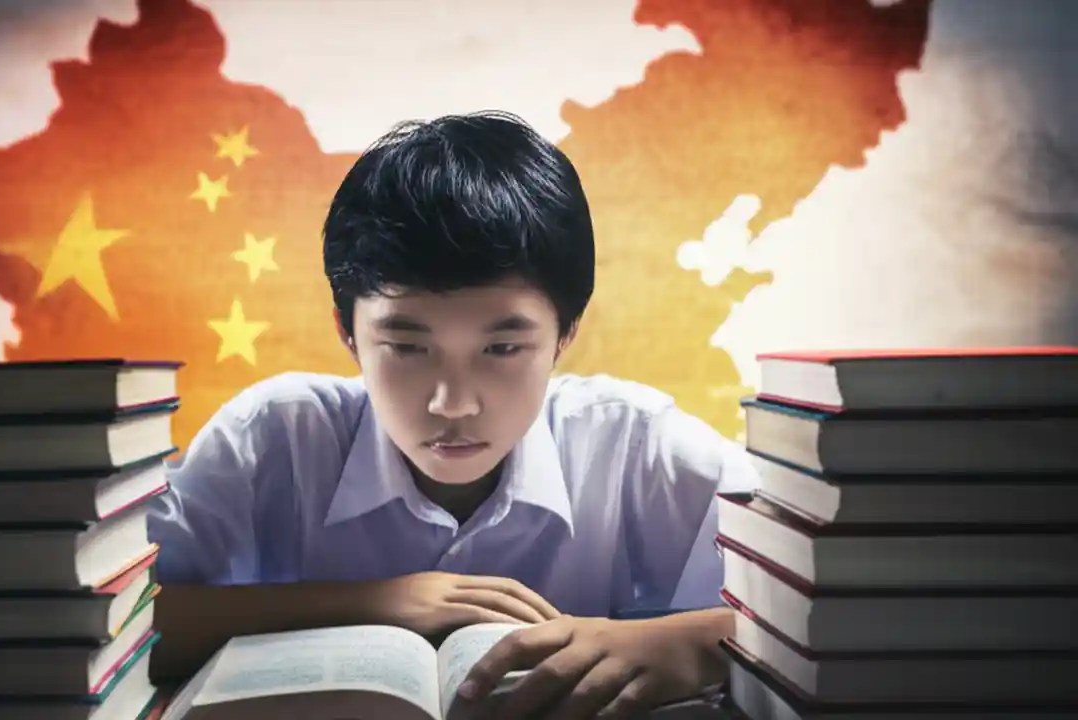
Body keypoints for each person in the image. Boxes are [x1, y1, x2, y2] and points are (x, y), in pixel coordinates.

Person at [147, 110, 759, 718]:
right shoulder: (271, 436)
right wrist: (371, 603)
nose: (453, 403)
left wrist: (693, 645)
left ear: (565, 332)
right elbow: (119, 628)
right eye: (407, 348)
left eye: (503, 349)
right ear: (348, 332)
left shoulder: (636, 444)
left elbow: (814, 600)